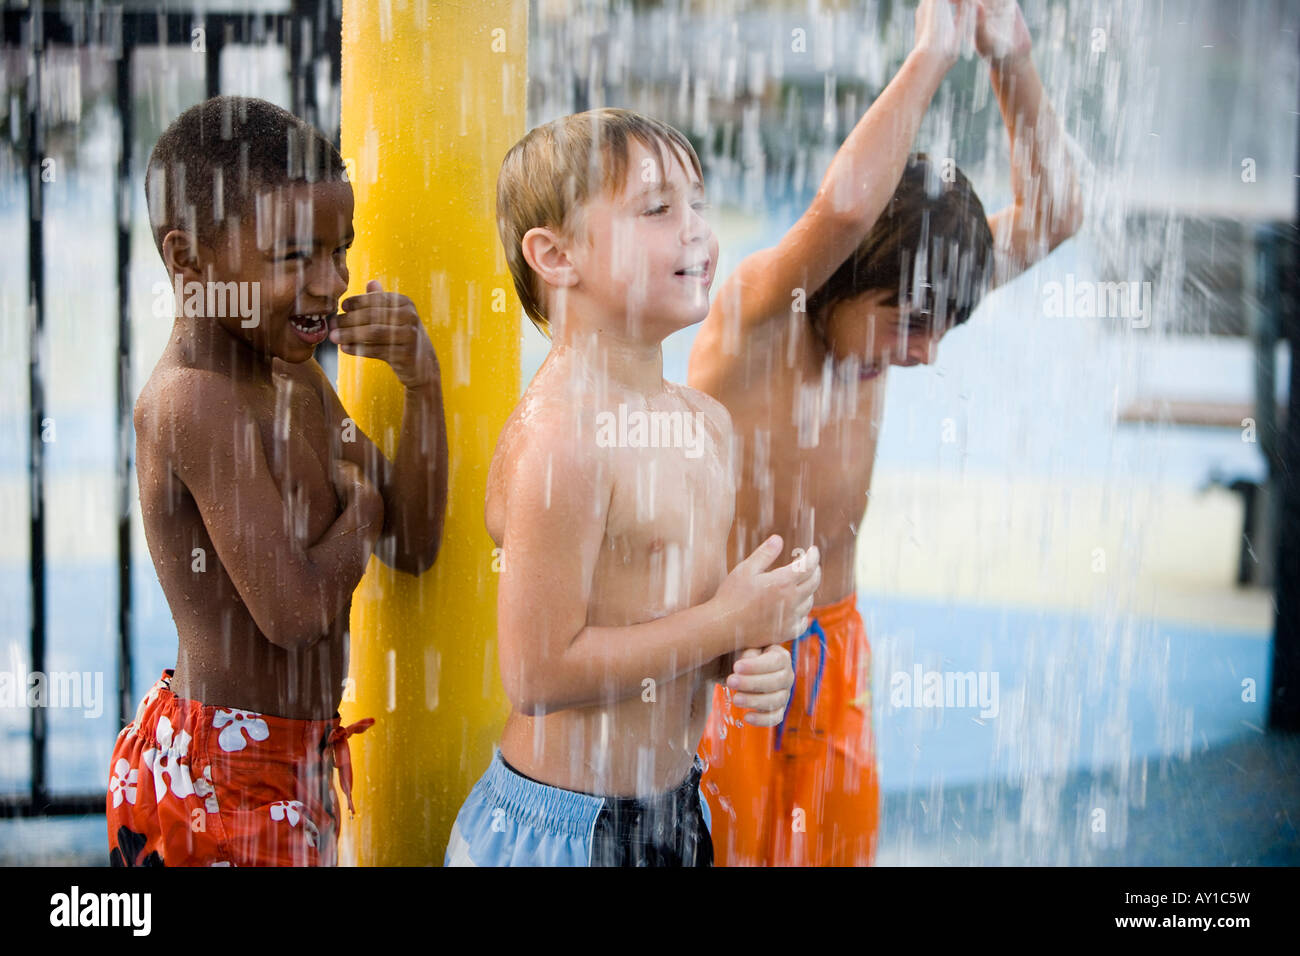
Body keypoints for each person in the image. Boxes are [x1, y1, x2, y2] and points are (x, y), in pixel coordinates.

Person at [689, 0, 1084, 866]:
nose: (923, 354)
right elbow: (840, 210)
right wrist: (932, 56)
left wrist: (1010, 57)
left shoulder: (877, 338)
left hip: (834, 643)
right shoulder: (760, 319)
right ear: (852, 275)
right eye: (909, 323)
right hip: (723, 652)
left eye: (944, 330)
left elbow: (1053, 218)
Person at [444, 108, 820, 867]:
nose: (696, 231)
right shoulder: (562, 439)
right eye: (657, 209)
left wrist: (749, 657)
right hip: (562, 833)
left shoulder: (706, 425)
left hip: (674, 815)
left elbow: (681, 625)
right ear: (555, 256)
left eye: (699, 204)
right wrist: (727, 622)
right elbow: (538, 672)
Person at [107, 95, 449, 866]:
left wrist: (422, 387)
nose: (329, 283)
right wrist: (360, 511)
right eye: (295, 256)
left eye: (340, 251)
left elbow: (415, 544)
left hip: (292, 761)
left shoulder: (292, 383)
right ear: (189, 263)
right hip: (218, 781)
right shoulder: (195, 400)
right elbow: (294, 614)